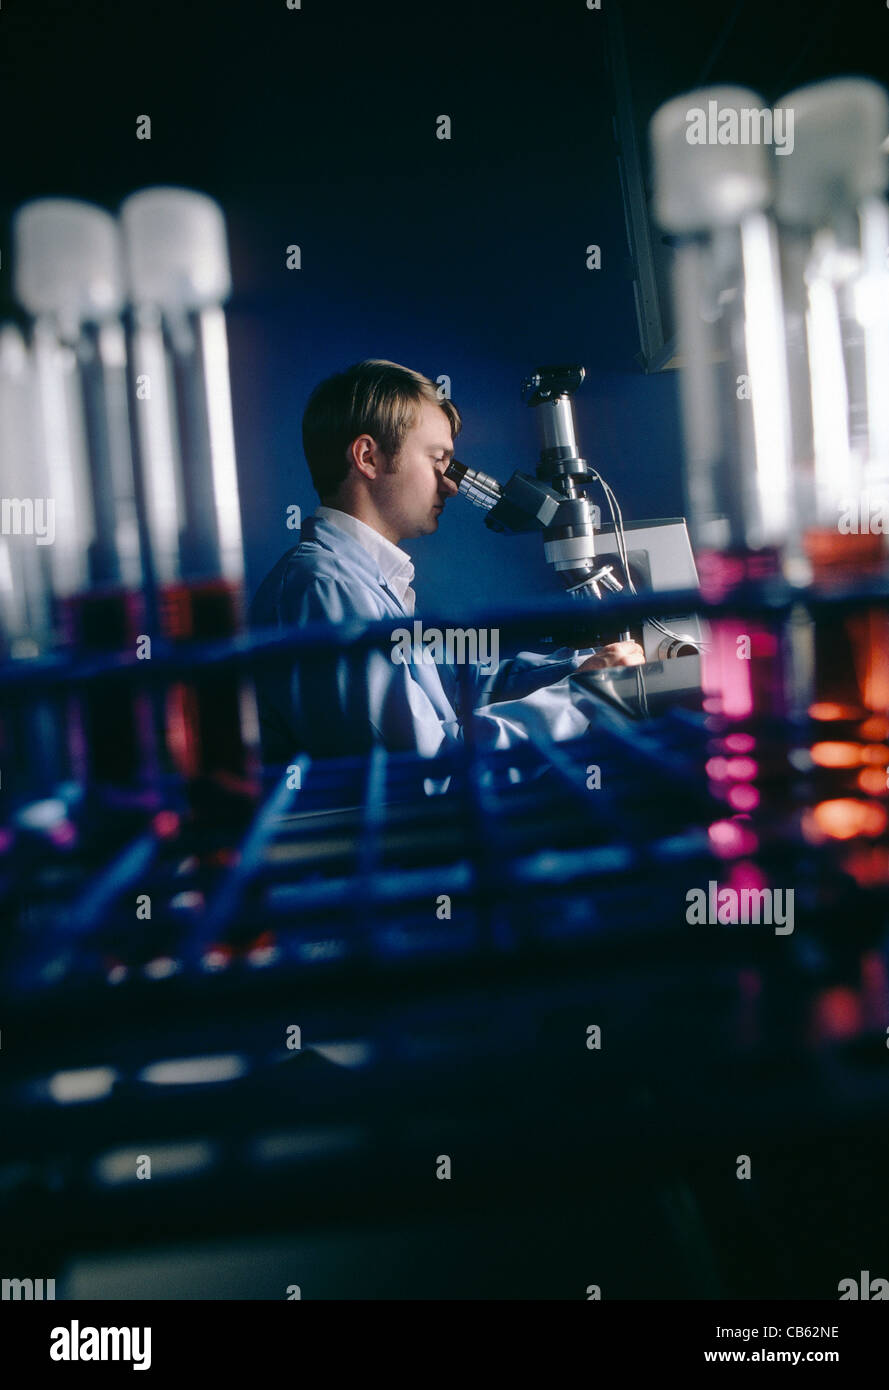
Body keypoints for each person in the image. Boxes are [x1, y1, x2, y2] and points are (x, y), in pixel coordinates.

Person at [248, 359, 643, 763]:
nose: (451, 486)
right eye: (437, 460)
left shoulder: (364, 579)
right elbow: (427, 765)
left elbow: (454, 685)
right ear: (368, 457)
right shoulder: (324, 586)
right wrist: (582, 696)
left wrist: (583, 667)